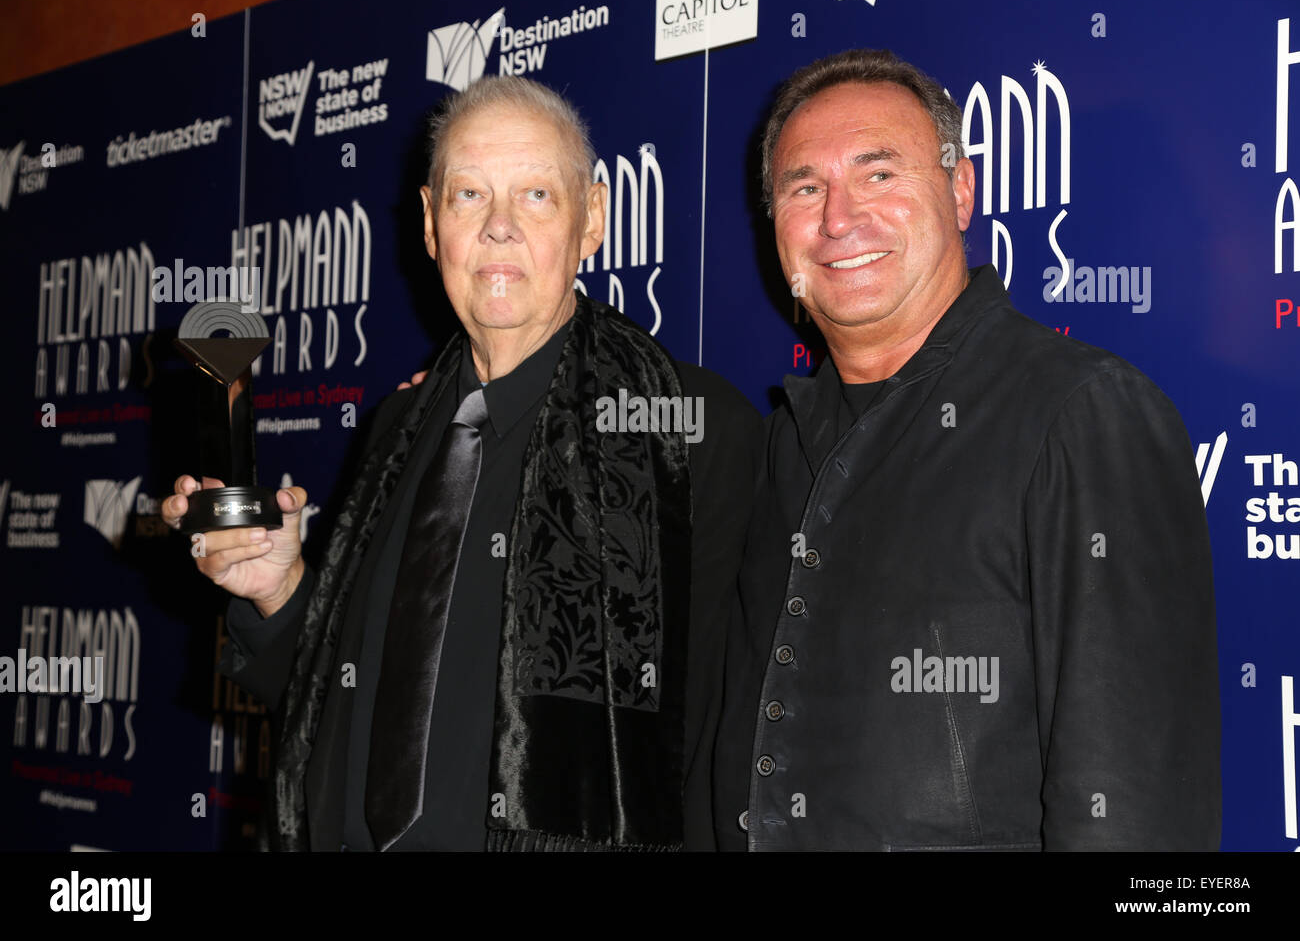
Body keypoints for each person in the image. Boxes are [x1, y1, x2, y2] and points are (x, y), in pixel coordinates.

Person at [164, 75, 759, 851]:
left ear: (594, 219)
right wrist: (279, 593)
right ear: (429, 224)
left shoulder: (692, 433)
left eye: (538, 196)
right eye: (469, 195)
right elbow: (337, 711)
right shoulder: (398, 430)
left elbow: (728, 743)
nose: (500, 228)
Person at [713, 49, 1220, 851]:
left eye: (880, 175)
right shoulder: (783, 445)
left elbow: (1137, 808)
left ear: (960, 191)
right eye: (805, 188)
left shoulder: (1083, 414)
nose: (839, 219)